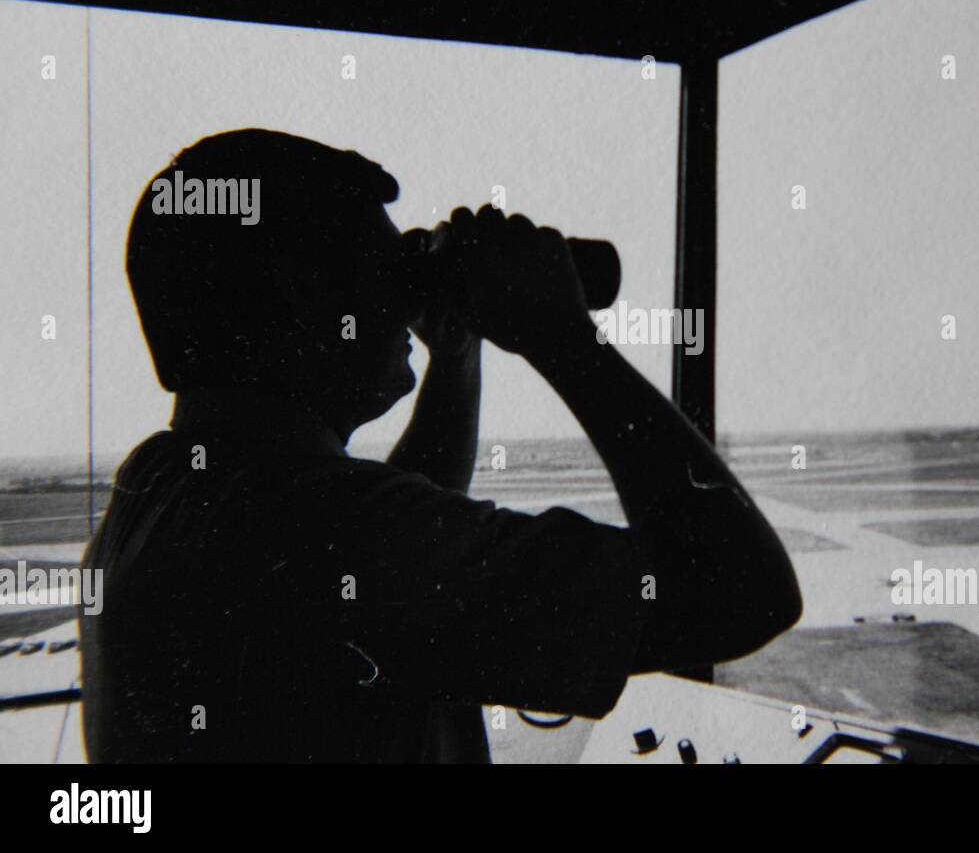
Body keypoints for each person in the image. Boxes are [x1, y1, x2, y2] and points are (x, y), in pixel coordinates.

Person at [80, 128, 801, 762]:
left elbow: (391, 553)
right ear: (304, 293)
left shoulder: (157, 489)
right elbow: (740, 591)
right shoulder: (334, 531)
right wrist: (560, 335)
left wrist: (456, 356)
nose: (407, 295)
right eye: (387, 265)